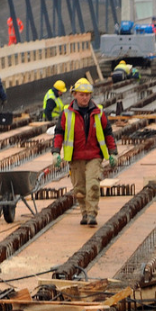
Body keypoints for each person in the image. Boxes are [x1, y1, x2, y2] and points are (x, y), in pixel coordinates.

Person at [52, 78, 118, 226]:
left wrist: (113, 152)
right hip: (76, 157)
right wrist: (56, 152)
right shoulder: (66, 113)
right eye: (82, 94)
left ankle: (92, 214)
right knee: (80, 190)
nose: (85, 97)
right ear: (74, 94)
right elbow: (59, 133)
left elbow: (108, 133)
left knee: (93, 185)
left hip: (94, 156)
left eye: (87, 94)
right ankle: (84, 211)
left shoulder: (99, 112)